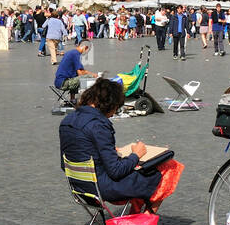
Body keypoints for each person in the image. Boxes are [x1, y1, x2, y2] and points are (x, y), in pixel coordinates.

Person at [59, 78, 181, 211]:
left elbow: (65, 164)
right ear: (109, 104)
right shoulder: (98, 125)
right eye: (115, 109)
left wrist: (106, 154)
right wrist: (136, 155)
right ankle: (145, 220)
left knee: (140, 170)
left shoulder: (67, 121)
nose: (112, 115)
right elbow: (116, 171)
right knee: (169, 167)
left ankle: (134, 216)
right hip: (103, 188)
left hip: (79, 187)